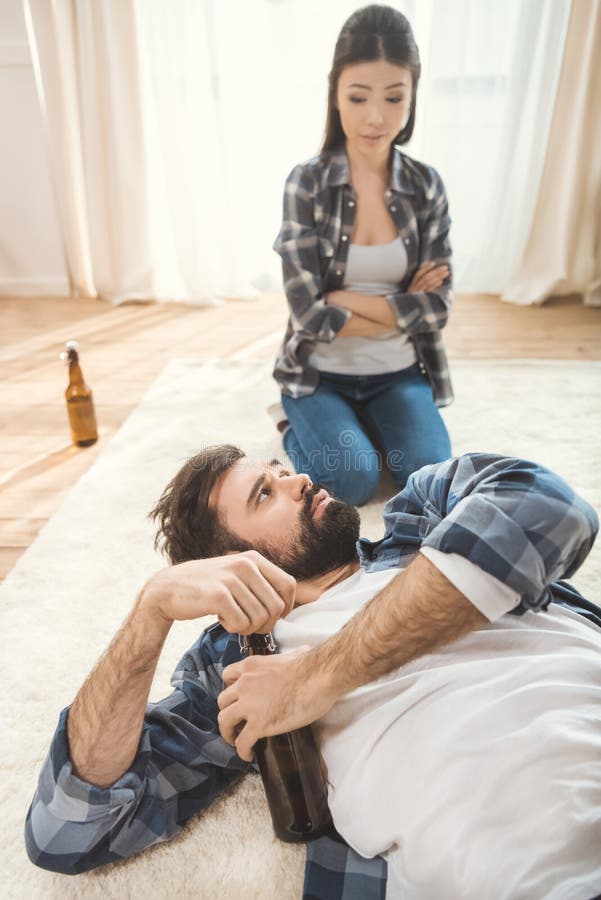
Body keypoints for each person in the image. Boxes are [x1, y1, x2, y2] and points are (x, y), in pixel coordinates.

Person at [25, 445, 601, 898]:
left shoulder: (424, 516)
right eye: (264, 493)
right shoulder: (236, 673)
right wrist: (149, 611)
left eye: (283, 471)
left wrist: (315, 678)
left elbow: (548, 505)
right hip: (522, 858)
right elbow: (69, 830)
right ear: (232, 559)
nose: (300, 480)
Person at [271, 4, 453, 506]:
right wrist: (401, 311)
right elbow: (309, 314)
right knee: (352, 482)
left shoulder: (426, 185)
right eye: (358, 97)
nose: (376, 117)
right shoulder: (305, 184)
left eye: (395, 98)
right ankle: (294, 421)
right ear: (335, 94)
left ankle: (367, 429)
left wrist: (347, 298)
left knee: (428, 481)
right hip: (320, 375)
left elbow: (437, 309)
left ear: (413, 97)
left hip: (399, 373)